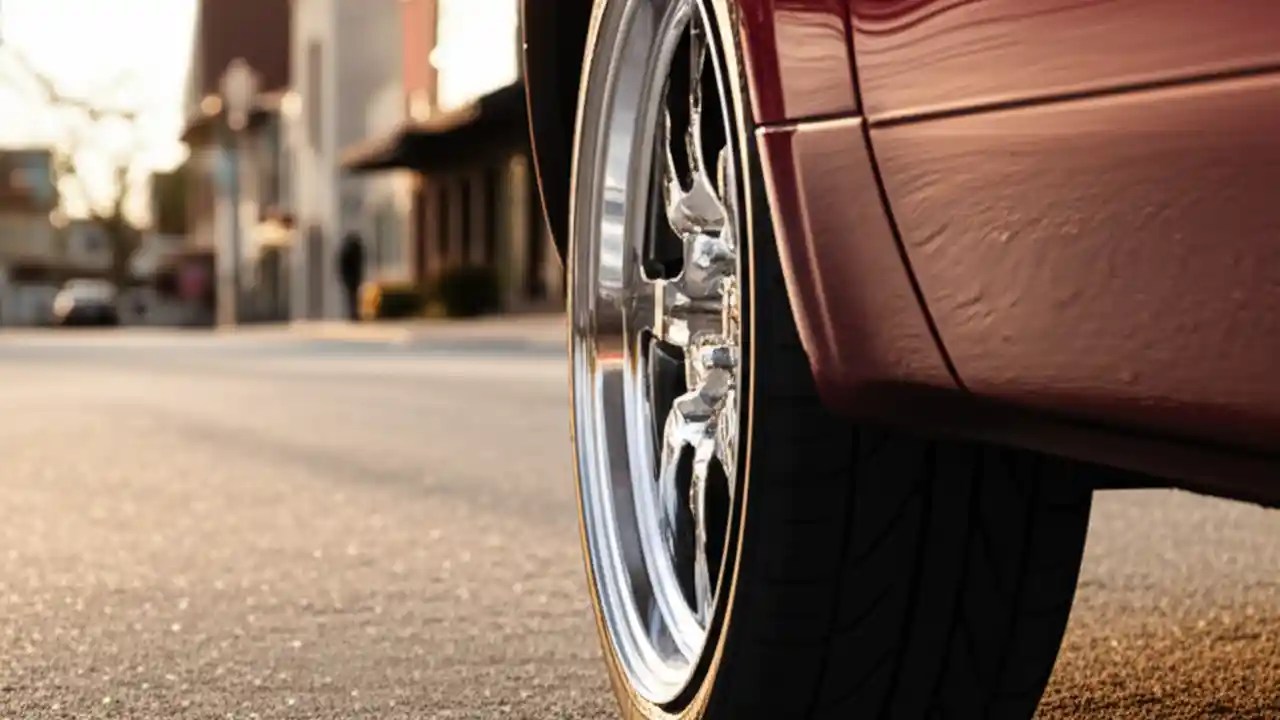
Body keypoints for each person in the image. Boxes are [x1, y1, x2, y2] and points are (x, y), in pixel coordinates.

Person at [337, 232, 366, 321]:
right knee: (354, 296)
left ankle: (353, 314)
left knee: (351, 297)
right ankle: (354, 314)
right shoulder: (355, 250)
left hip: (350, 278)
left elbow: (342, 265)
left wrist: (343, 276)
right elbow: (358, 265)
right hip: (354, 277)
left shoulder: (347, 250)